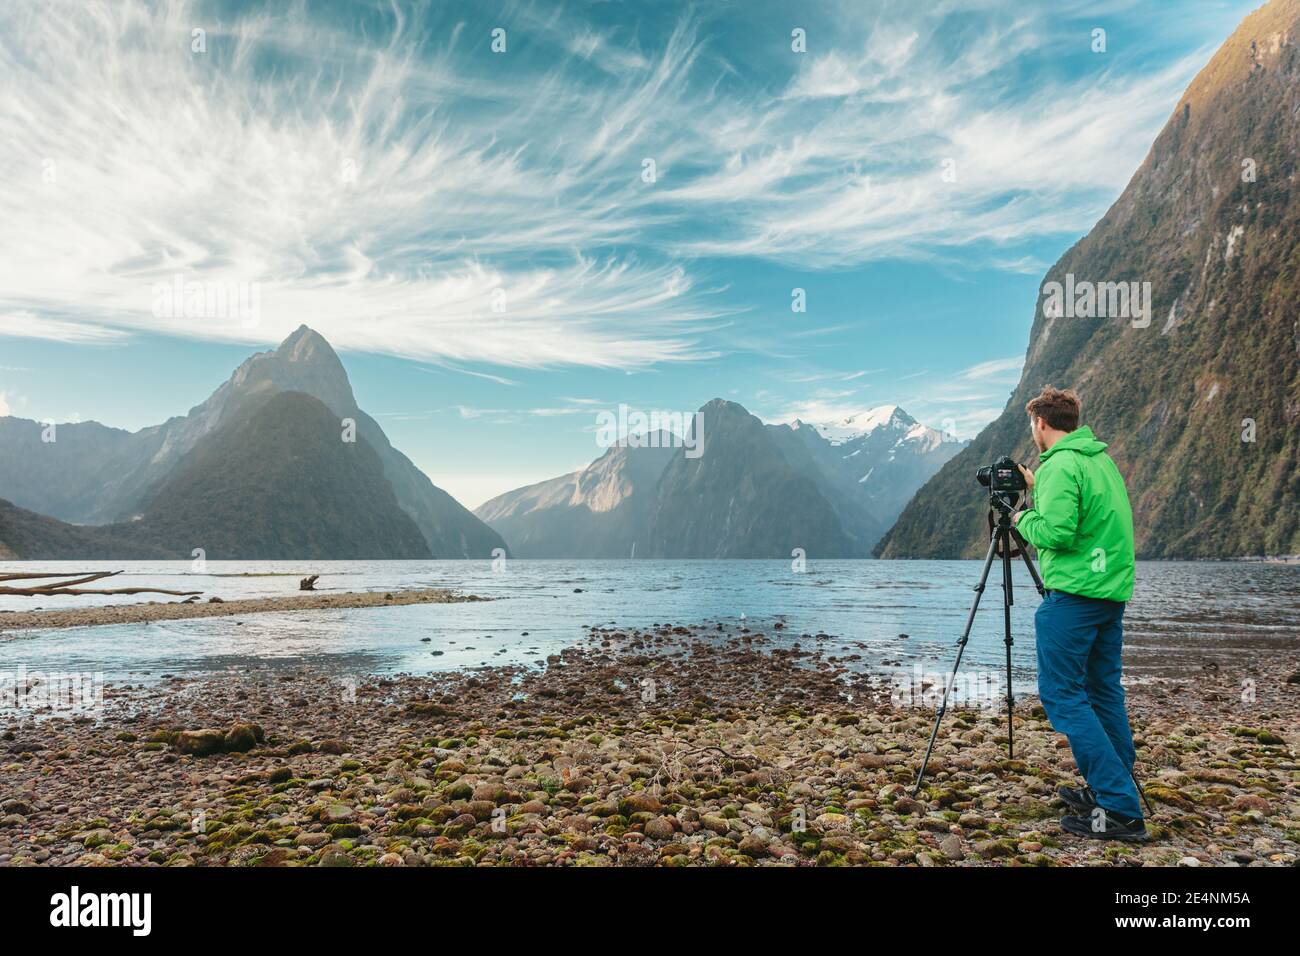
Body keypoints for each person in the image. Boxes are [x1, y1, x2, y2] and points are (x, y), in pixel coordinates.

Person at [1011, 386, 1147, 842]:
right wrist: (1036, 488)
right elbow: (1089, 518)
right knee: (1104, 691)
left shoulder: (1059, 465)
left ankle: (1120, 808)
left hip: (1074, 597)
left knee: (1062, 695)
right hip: (1110, 594)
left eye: (1033, 424)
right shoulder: (1098, 460)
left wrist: (1019, 518)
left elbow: (1058, 532)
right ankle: (1114, 787)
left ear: (1041, 424)